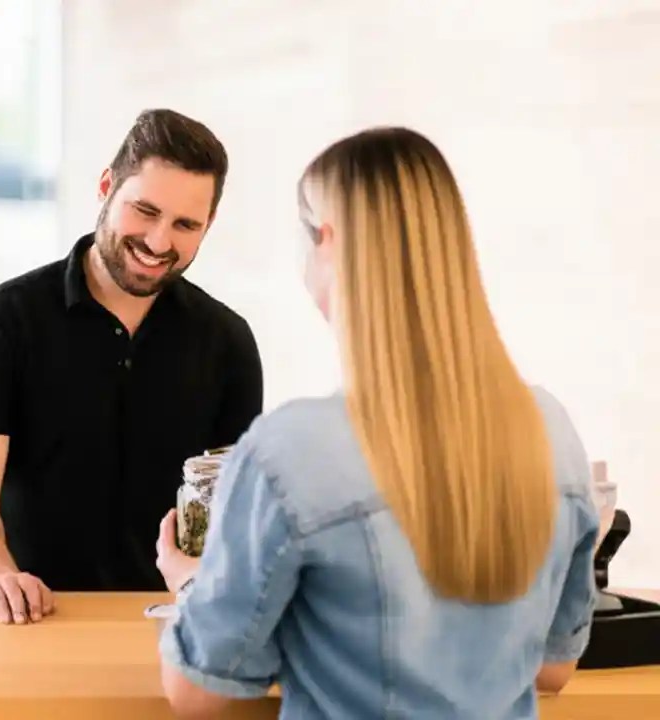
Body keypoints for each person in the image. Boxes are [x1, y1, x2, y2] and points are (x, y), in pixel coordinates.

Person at [156, 127, 598, 718]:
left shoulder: (291, 454)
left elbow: (199, 695)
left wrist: (191, 584)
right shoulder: (551, 431)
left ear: (328, 241)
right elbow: (554, 667)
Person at [0, 108, 263, 624]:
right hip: (16, 617)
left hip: (162, 621)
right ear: (106, 186)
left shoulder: (228, 340)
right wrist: (0, 576)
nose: (160, 243)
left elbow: (232, 504)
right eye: (145, 211)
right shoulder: (1, 321)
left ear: (209, 224)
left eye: (185, 224)